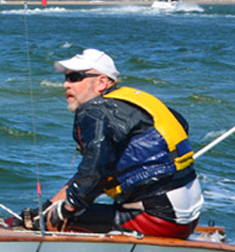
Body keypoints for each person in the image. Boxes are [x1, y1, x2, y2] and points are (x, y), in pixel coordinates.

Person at [18, 48, 203, 239]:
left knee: (58, 221)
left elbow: (96, 167)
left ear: (101, 82)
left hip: (158, 221)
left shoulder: (94, 111)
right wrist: (48, 208)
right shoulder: (135, 101)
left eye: (75, 77)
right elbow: (181, 124)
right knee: (59, 208)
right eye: (65, 78)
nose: (65, 84)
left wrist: (63, 211)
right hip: (187, 218)